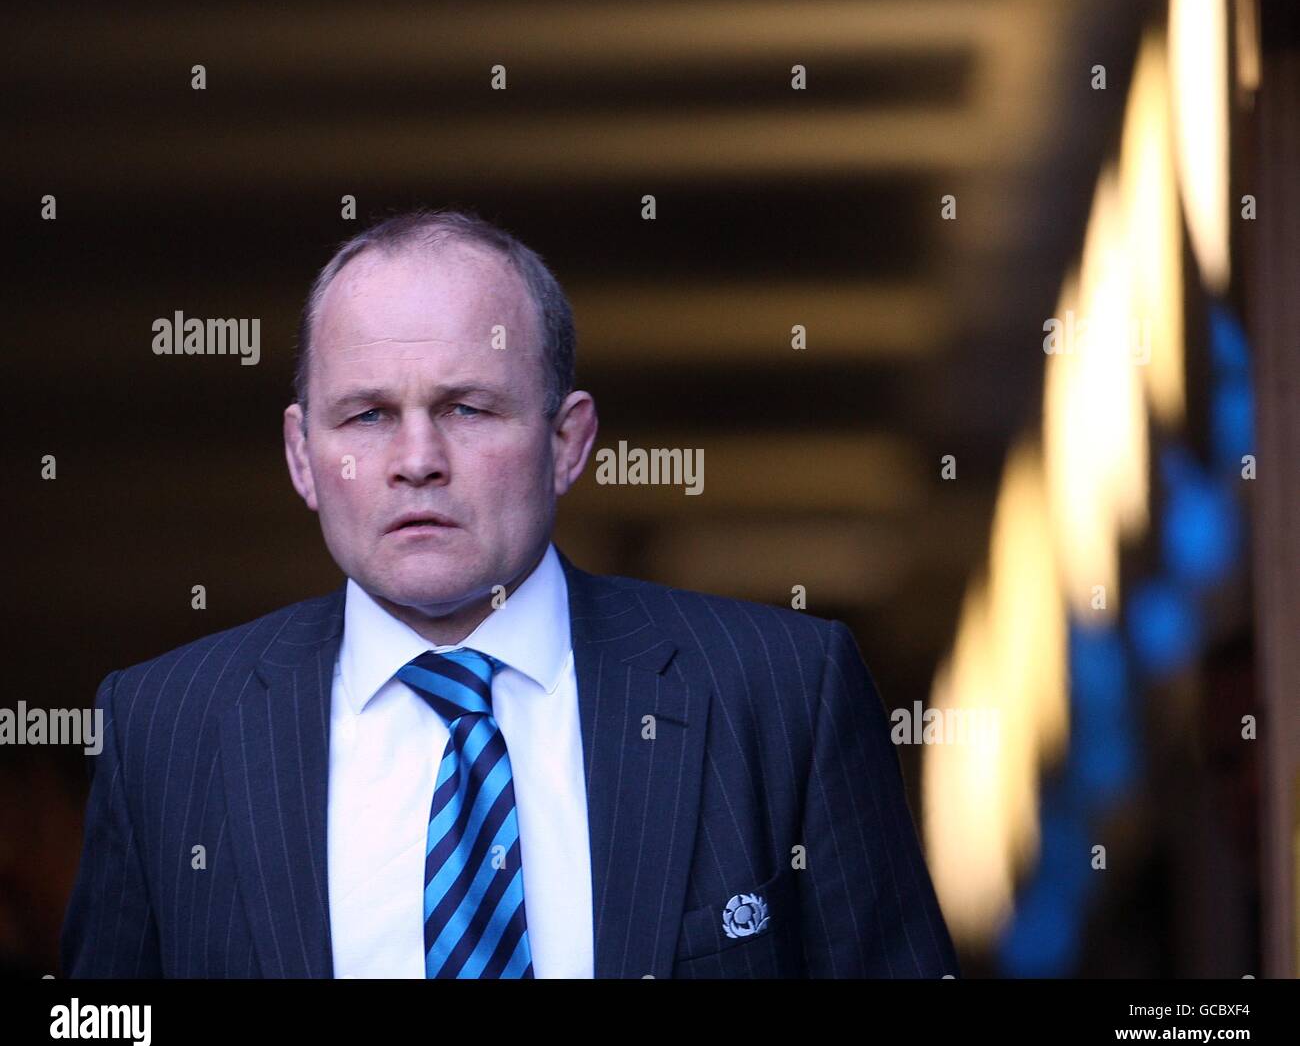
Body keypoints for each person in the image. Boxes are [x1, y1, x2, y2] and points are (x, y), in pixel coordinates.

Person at [60, 208, 959, 978]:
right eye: (367, 415)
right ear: (303, 455)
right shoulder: (165, 732)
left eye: (467, 408)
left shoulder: (781, 693)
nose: (417, 460)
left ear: (567, 440)